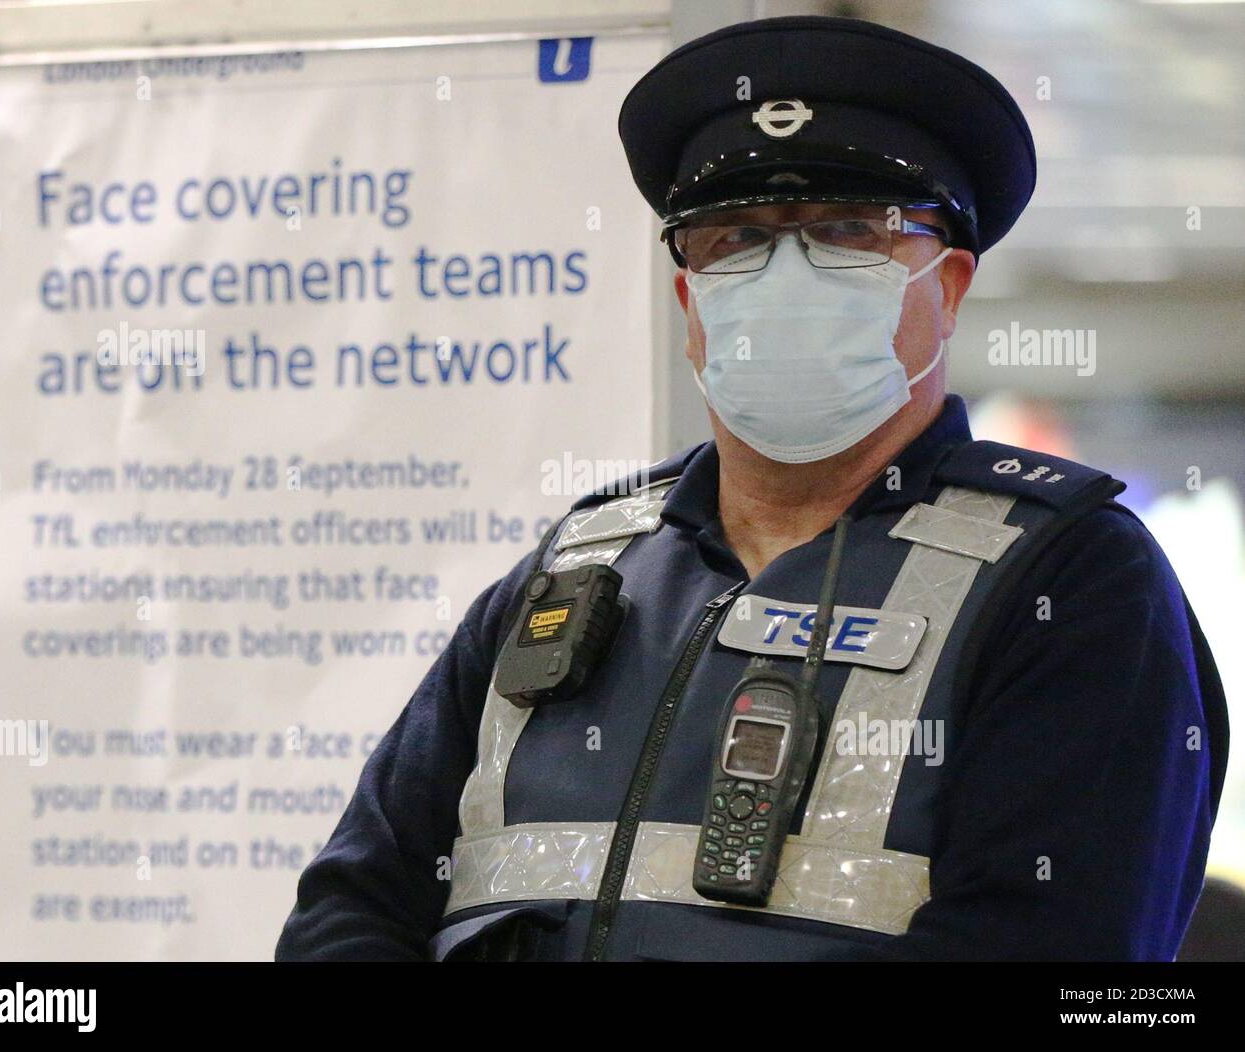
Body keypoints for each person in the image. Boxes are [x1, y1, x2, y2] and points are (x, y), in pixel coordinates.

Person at [275, 14, 1228, 962]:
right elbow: (353, 904)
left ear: (949, 285)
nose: (783, 271)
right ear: (691, 299)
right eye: (735, 238)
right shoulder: (581, 565)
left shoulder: (1070, 579)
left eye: (850, 230)